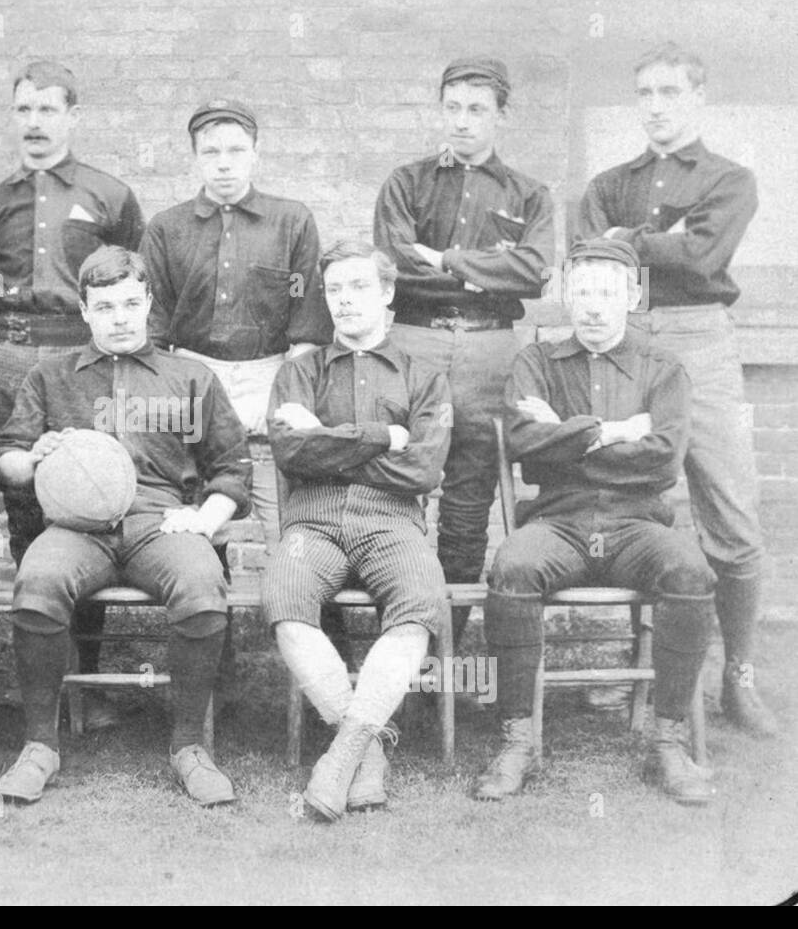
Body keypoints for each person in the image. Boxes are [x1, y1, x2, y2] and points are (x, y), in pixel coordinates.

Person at [0, 246, 251, 807]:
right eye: (105, 307)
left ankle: (190, 747)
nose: (120, 317)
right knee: (36, 584)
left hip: (160, 519)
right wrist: (32, 456)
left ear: (149, 303)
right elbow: (6, 462)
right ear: (84, 311)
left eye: (131, 303)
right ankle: (40, 745)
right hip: (77, 525)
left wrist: (205, 518)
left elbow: (232, 467)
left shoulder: (190, 377)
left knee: (203, 589)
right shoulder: (50, 376)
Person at [576, 43, 775, 738]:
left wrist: (629, 239)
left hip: (703, 340)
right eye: (645, 93)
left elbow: (704, 254)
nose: (655, 106)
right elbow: (592, 255)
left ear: (698, 98)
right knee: (624, 503)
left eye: (669, 92)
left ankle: (738, 675)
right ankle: (643, 675)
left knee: (733, 514)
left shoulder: (731, 178)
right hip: (628, 338)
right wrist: (658, 237)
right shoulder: (609, 180)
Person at [475, 238, 717, 806]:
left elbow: (664, 455)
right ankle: (517, 740)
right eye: (581, 290)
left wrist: (566, 432)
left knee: (690, 573)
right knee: (511, 567)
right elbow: (525, 444)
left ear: (632, 296)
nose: (592, 305)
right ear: (565, 295)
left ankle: (668, 740)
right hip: (558, 520)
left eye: (606, 292)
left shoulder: (663, 367)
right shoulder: (536, 361)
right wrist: (611, 430)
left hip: (638, 524)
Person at [0, 61, 146, 720]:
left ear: (72, 116)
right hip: (15, 351)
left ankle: (90, 673)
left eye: (48, 109)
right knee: (22, 496)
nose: (36, 123)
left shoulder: (109, 195)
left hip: (85, 352)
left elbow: (125, 271)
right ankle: (43, 671)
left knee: (88, 492)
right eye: (24, 110)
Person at [263, 241, 451, 821]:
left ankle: (344, 752)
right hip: (311, 519)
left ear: (388, 292)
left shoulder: (423, 375)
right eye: (335, 290)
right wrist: (380, 437)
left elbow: (423, 468)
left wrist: (328, 436)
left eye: (359, 287)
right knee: (284, 598)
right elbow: (292, 454)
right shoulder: (298, 371)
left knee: (421, 601)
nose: (345, 301)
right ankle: (367, 752)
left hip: (392, 517)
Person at [373, 57, 554, 637]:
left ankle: (444, 639)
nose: (462, 122)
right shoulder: (407, 182)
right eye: (452, 107)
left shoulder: (528, 193)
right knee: (402, 479)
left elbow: (533, 271)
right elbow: (399, 265)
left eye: (477, 109)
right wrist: (487, 272)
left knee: (469, 497)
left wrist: (447, 260)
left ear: (501, 115)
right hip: (414, 338)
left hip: (488, 348)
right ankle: (402, 629)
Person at [142, 97, 332, 556]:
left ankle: (301, 590)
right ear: (194, 157)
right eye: (211, 152)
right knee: (198, 514)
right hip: (192, 378)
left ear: (256, 153)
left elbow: (305, 322)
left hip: (270, 376)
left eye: (236, 150)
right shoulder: (167, 229)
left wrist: (285, 399)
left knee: (288, 512)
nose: (223, 164)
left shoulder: (291, 221)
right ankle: (205, 599)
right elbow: (155, 328)